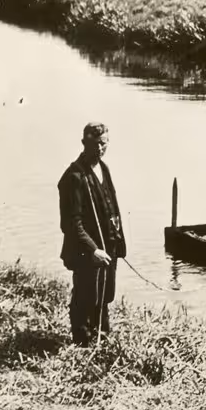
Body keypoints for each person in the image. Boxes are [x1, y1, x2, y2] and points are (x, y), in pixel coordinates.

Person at [57, 122, 126, 345]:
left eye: (103, 144)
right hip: (87, 251)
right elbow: (71, 224)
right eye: (95, 144)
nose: (99, 149)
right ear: (84, 143)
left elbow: (112, 208)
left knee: (104, 296)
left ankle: (102, 338)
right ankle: (82, 343)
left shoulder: (104, 168)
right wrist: (93, 249)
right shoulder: (73, 177)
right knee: (84, 297)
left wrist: (118, 243)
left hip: (108, 247)